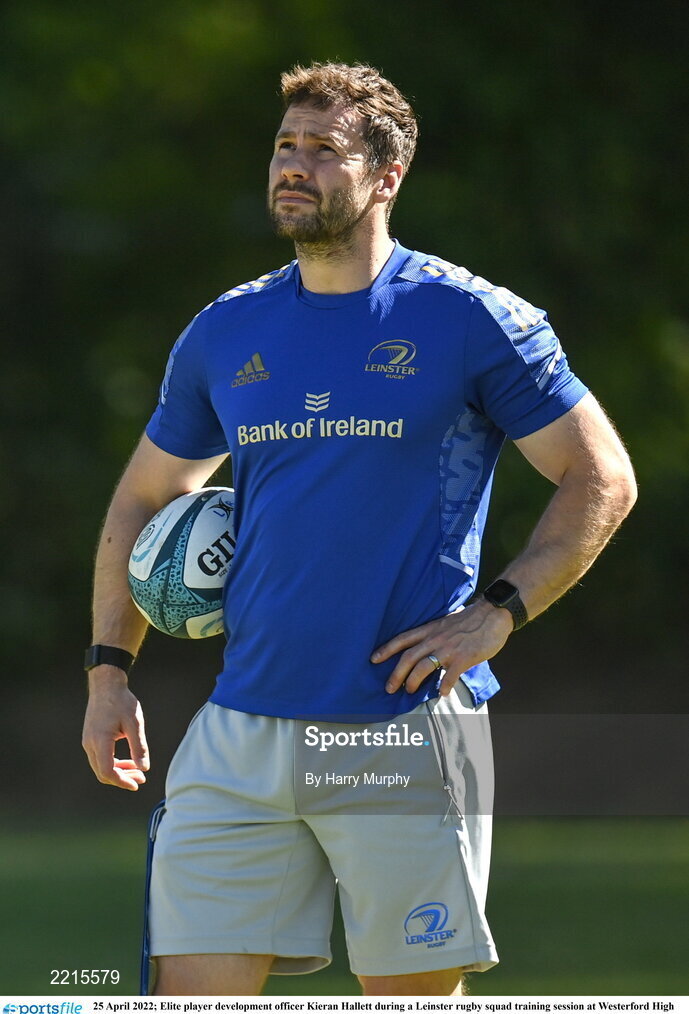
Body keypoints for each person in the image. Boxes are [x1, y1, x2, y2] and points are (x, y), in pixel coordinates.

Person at [82, 61, 637, 997]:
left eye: (322, 151)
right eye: (283, 147)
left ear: (386, 177)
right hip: (236, 732)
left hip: (401, 726)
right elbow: (141, 499)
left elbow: (601, 477)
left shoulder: (468, 317)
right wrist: (109, 673)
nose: (292, 167)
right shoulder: (226, 329)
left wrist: (496, 614)